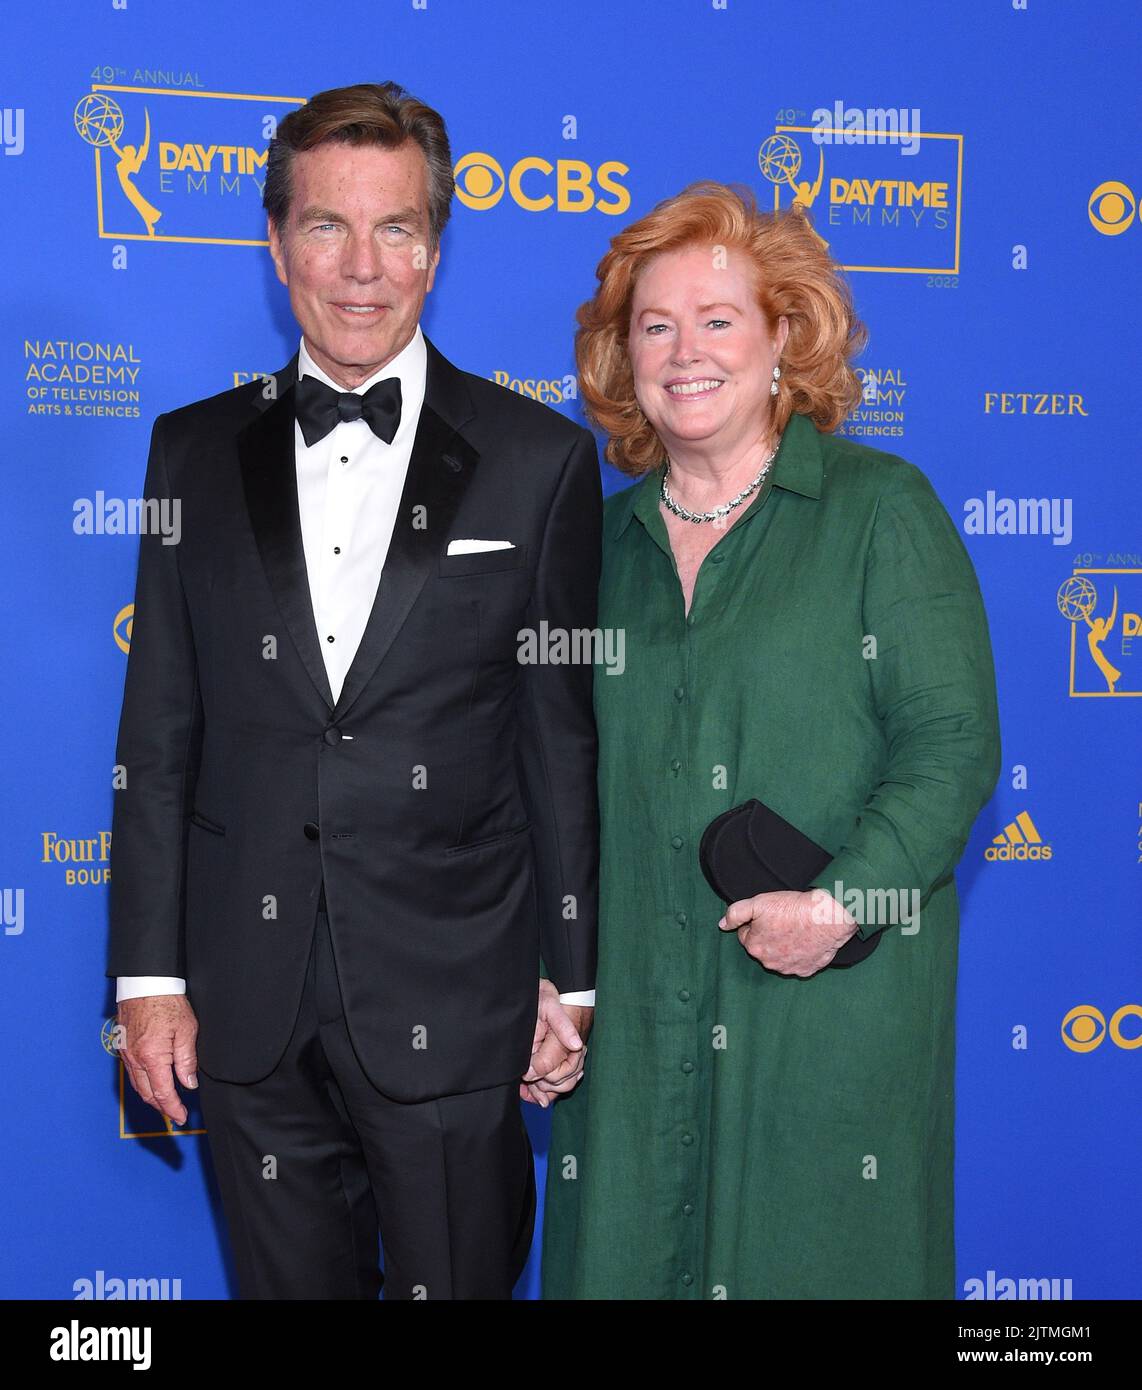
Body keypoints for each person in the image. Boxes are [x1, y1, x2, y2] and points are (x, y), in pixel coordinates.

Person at [107, 81, 600, 1301]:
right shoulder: (190, 449)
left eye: (396, 229)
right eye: (327, 226)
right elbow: (160, 727)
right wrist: (149, 981)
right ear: (277, 248)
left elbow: (557, 738)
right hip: (244, 1001)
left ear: (436, 247)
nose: (362, 268)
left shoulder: (537, 460)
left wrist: (571, 971)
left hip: (456, 987)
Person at [541, 182, 1001, 1299]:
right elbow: (541, 783)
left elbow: (952, 744)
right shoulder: (589, 547)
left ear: (783, 335)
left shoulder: (879, 510)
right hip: (633, 1032)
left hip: (822, 1018)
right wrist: (547, 974)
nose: (682, 351)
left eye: (717, 319)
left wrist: (842, 902)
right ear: (622, 355)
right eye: (653, 324)